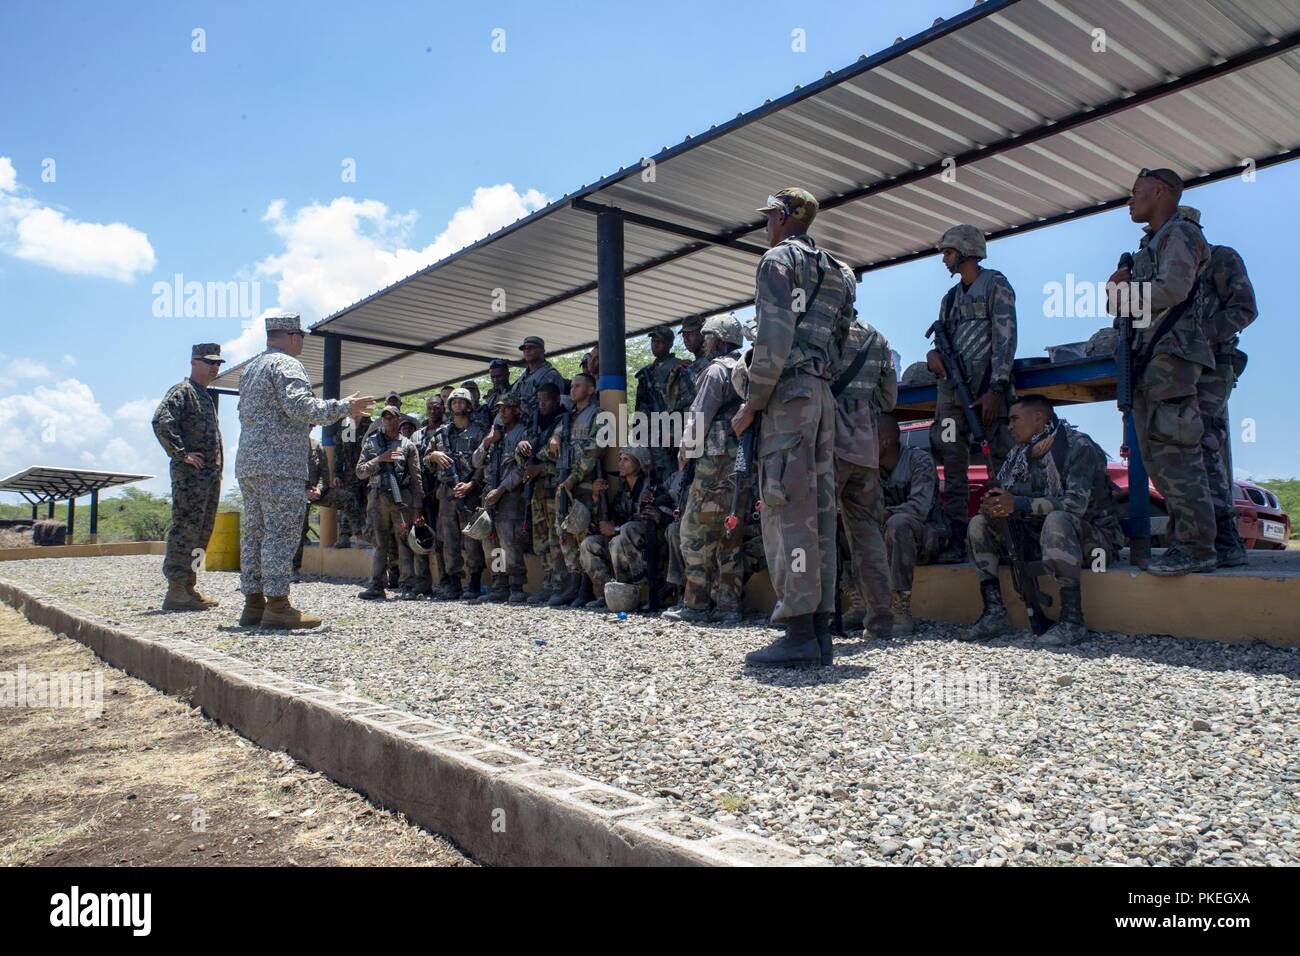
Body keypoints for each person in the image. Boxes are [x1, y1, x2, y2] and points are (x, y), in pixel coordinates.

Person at [736, 187, 852, 668]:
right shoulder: (840, 272)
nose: (766, 226)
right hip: (822, 394)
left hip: (788, 398)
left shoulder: (777, 262)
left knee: (787, 511)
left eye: (769, 217)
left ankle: (799, 633)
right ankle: (819, 631)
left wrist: (753, 401)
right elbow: (843, 338)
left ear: (784, 218)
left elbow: (773, 337)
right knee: (820, 513)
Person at [1107, 168, 1216, 576]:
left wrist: (1123, 293)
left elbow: (1172, 289)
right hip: (1151, 357)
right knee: (1156, 456)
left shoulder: (1180, 235)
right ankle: (1185, 545)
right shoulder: (1152, 242)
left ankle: (1198, 549)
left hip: (1171, 356)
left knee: (1176, 454)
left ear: (1160, 191)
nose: (1130, 201)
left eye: (1136, 193)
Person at [235, 314, 372, 629]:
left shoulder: (250, 369)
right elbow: (303, 408)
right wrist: (343, 408)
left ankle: (253, 604)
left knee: (254, 535)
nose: (302, 342)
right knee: (280, 534)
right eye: (302, 337)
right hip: (280, 465)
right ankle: (279, 606)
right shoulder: (286, 365)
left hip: (251, 465)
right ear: (292, 335)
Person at [966, 395, 1124, 647]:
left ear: (1039, 418)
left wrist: (1017, 503)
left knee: (1058, 519)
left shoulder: (1077, 446)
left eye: (1015, 419)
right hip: (1041, 535)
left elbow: (1075, 505)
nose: (1009, 426)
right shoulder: (1021, 455)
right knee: (979, 524)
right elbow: (1012, 494)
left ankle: (1072, 621)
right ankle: (994, 612)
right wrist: (995, 504)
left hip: (1093, 542)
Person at [926, 223, 1017, 561]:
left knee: (1002, 465)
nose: (945, 259)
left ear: (966, 251)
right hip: (952, 398)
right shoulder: (949, 300)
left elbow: (1005, 338)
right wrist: (933, 356)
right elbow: (941, 343)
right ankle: (955, 539)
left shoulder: (996, 285)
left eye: (948, 252)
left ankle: (1009, 535)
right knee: (952, 469)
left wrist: (997, 387)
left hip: (987, 392)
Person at [1174, 206, 1258, 568]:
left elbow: (1245, 309)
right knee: (1173, 447)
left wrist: (1199, 337)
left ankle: (1225, 538)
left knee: (1204, 442)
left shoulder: (1221, 258)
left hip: (1211, 365)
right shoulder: (1164, 270)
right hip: (1171, 370)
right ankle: (1191, 536)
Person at [663, 314, 747, 625]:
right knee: (730, 533)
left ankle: (696, 604)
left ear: (719, 339)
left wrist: (684, 452)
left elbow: (699, 417)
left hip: (713, 464)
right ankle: (728, 606)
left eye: (708, 335)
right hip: (742, 465)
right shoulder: (746, 368)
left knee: (692, 533)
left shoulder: (715, 371)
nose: (704, 340)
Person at [831, 312, 898, 642]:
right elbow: (888, 399)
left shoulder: (821, 331)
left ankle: (818, 621)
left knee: (816, 532)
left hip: (827, 445)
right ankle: (880, 620)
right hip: (867, 447)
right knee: (869, 536)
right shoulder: (878, 338)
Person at [152, 342, 225, 611]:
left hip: (208, 479)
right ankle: (175, 589)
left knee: (202, 532)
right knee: (185, 529)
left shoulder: (203, 395)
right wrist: (181, 453)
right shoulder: (183, 392)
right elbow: (161, 421)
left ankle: (189, 586)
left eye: (218, 363)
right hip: (190, 479)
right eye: (209, 362)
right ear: (194, 362)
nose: (214, 367)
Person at [877, 414, 948, 635]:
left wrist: (883, 514)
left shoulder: (918, 461)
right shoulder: (869, 468)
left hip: (926, 537)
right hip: (886, 538)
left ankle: (900, 607)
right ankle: (859, 602)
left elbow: (920, 508)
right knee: (844, 524)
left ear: (885, 440)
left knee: (898, 524)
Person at [580, 446, 674, 610]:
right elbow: (609, 520)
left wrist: (615, 530)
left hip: (650, 545)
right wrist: (596, 497)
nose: (620, 463)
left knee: (621, 536)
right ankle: (607, 594)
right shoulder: (623, 491)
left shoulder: (652, 487)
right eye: (619, 459)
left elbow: (662, 516)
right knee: (588, 544)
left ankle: (630, 593)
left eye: (626, 459)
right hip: (624, 543)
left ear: (638, 464)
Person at [356, 406, 426, 600]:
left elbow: (416, 478)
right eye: (385, 417)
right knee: (380, 543)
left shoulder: (407, 445)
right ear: (382, 420)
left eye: (393, 417)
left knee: (404, 542)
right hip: (377, 499)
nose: (389, 421)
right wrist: (380, 459)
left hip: (402, 499)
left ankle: (407, 586)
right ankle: (377, 585)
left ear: (399, 419)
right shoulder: (371, 443)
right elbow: (360, 472)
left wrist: (417, 508)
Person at [663, 316, 710, 603]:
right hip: (688, 451)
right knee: (681, 523)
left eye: (693, 334)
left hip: (710, 453)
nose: (688, 338)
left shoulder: (714, 365)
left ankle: (703, 596)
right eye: (685, 335)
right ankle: (685, 592)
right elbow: (674, 406)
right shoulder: (686, 368)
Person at [426, 388, 487, 600]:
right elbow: (426, 460)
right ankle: (454, 584)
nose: (458, 406)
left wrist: (471, 484)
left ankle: (474, 582)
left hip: (470, 493)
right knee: (449, 540)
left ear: (469, 406)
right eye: (454, 402)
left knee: (472, 539)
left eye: (462, 402)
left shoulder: (479, 431)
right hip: (447, 493)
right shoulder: (441, 433)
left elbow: (484, 464)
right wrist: (433, 455)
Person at [546, 371, 601, 608]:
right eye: (572, 386)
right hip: (564, 484)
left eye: (579, 386)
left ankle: (586, 587)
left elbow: (594, 450)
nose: (573, 389)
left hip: (584, 485)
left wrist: (574, 478)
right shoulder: (567, 418)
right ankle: (574, 582)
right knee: (565, 535)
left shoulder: (598, 415)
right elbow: (552, 445)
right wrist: (553, 440)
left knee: (583, 533)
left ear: (590, 389)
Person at [472, 394, 531, 604]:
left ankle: (516, 586)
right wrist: (488, 441)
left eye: (507, 408)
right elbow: (476, 462)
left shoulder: (522, 434)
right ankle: (499, 584)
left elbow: (521, 469)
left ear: (516, 409)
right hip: (489, 494)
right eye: (500, 409)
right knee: (491, 541)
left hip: (509, 495)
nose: (503, 412)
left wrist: (501, 490)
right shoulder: (494, 435)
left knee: (509, 540)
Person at [520, 382, 567, 604]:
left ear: (557, 400)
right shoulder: (536, 423)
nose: (542, 404)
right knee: (541, 540)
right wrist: (521, 448)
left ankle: (560, 586)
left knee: (555, 538)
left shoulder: (564, 422)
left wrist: (541, 468)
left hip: (553, 486)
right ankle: (547, 584)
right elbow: (525, 457)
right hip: (536, 489)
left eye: (546, 400)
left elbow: (566, 461)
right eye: (539, 400)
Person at [634, 325, 684, 479]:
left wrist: (675, 433)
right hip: (650, 432)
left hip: (669, 432)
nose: (655, 344)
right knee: (649, 475)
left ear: (669, 344)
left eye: (660, 341)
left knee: (671, 477)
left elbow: (683, 403)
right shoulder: (647, 372)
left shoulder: (679, 366)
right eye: (653, 341)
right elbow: (640, 405)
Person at [410, 396, 445, 596]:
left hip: (440, 493)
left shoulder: (447, 432)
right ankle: (423, 583)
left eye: (437, 407)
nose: (433, 410)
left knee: (441, 538)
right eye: (430, 407)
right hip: (420, 493)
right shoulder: (417, 436)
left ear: (443, 409)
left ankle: (445, 582)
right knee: (419, 535)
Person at [331, 410, 371, 548]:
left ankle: (365, 535)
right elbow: (339, 453)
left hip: (367, 472)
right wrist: (337, 473)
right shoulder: (347, 427)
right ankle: (345, 536)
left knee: (366, 504)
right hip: (349, 473)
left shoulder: (370, 426)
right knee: (348, 503)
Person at [510, 335, 568, 428]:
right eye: (524, 348)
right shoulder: (522, 378)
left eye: (531, 348)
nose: (527, 351)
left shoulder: (550, 375)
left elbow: (553, 408)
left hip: (539, 428)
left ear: (542, 350)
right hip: (519, 427)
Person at [292, 437, 328, 579]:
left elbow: (324, 474)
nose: (309, 427)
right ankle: (293, 568)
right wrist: (302, 492)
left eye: (311, 425)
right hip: (293, 495)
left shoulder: (317, 446)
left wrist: (319, 489)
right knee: (299, 527)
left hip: (315, 493)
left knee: (346, 498)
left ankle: (352, 533)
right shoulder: (288, 444)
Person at [479, 358, 513, 432]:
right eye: (492, 377)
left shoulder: (515, 392)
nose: (495, 380)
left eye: (499, 376)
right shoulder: (492, 396)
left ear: (507, 375)